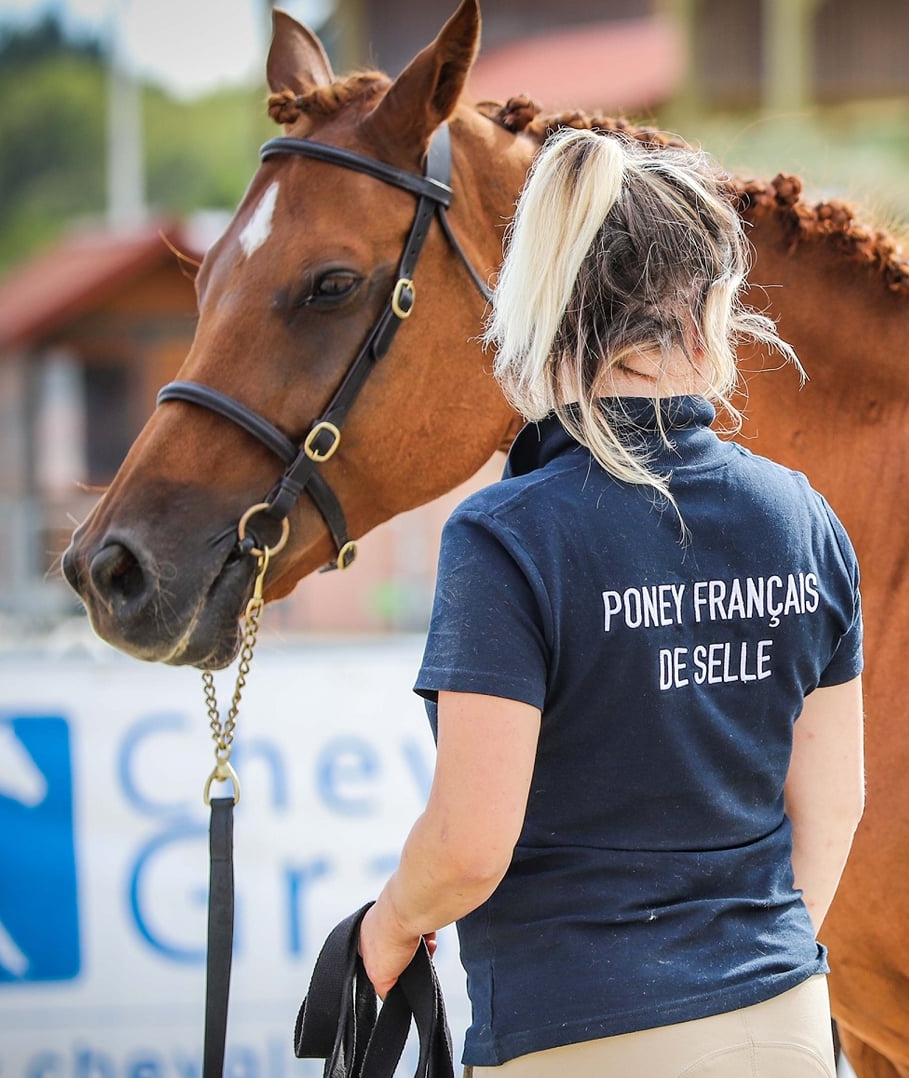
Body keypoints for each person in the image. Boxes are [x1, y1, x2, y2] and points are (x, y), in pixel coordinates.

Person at [357, 126, 867, 1077]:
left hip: (574, 1034)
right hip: (784, 1023)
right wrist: (740, 974)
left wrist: (385, 931)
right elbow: (832, 808)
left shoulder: (505, 536)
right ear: (712, 309)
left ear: (543, 307)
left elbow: (469, 844)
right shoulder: (805, 518)